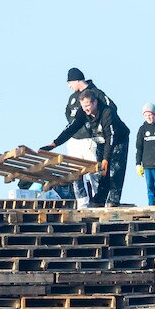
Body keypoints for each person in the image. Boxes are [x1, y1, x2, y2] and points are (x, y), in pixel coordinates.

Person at [42, 89, 129, 207]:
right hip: (101, 141)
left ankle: (113, 199)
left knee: (115, 169)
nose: (86, 109)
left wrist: (106, 159)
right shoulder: (82, 112)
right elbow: (72, 127)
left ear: (95, 103)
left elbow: (111, 136)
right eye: (83, 106)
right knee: (101, 172)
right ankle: (99, 199)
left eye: (87, 105)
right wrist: (55, 143)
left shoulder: (107, 112)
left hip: (117, 140)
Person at [61, 68, 121, 208]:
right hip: (74, 139)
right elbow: (68, 114)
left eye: (70, 82)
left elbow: (111, 108)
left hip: (89, 139)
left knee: (94, 170)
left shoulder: (95, 93)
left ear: (76, 80)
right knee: (76, 171)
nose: (69, 86)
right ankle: (82, 201)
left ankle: (98, 199)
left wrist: (92, 125)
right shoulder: (72, 98)